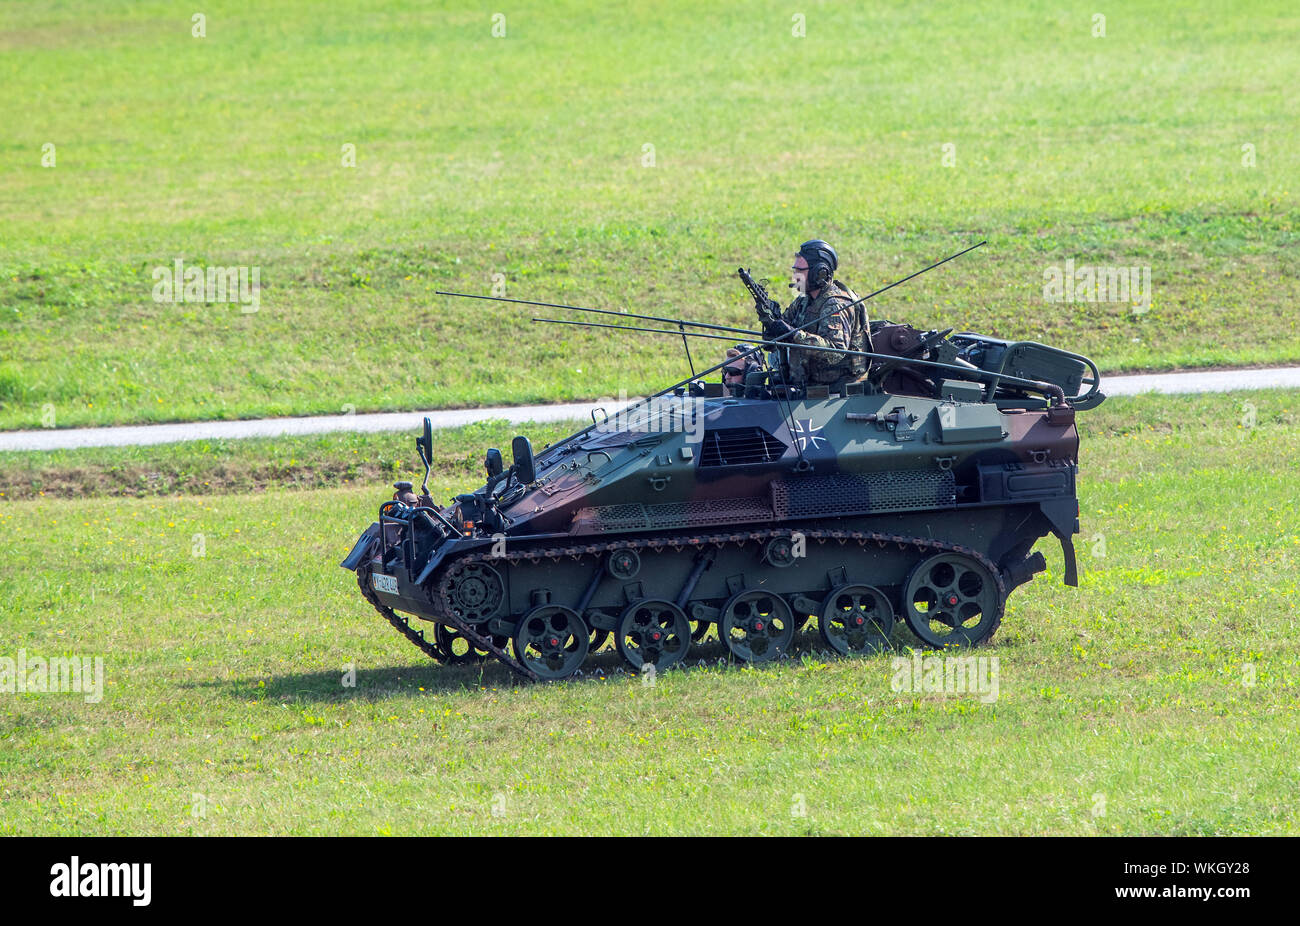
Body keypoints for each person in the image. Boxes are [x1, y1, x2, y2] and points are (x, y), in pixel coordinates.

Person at [724, 239, 870, 387]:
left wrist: (794, 334)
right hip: (804, 385)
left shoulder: (836, 304)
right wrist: (770, 322)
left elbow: (836, 352)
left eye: (800, 271)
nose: (795, 277)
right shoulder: (803, 301)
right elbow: (782, 329)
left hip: (833, 391)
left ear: (820, 273)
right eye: (794, 270)